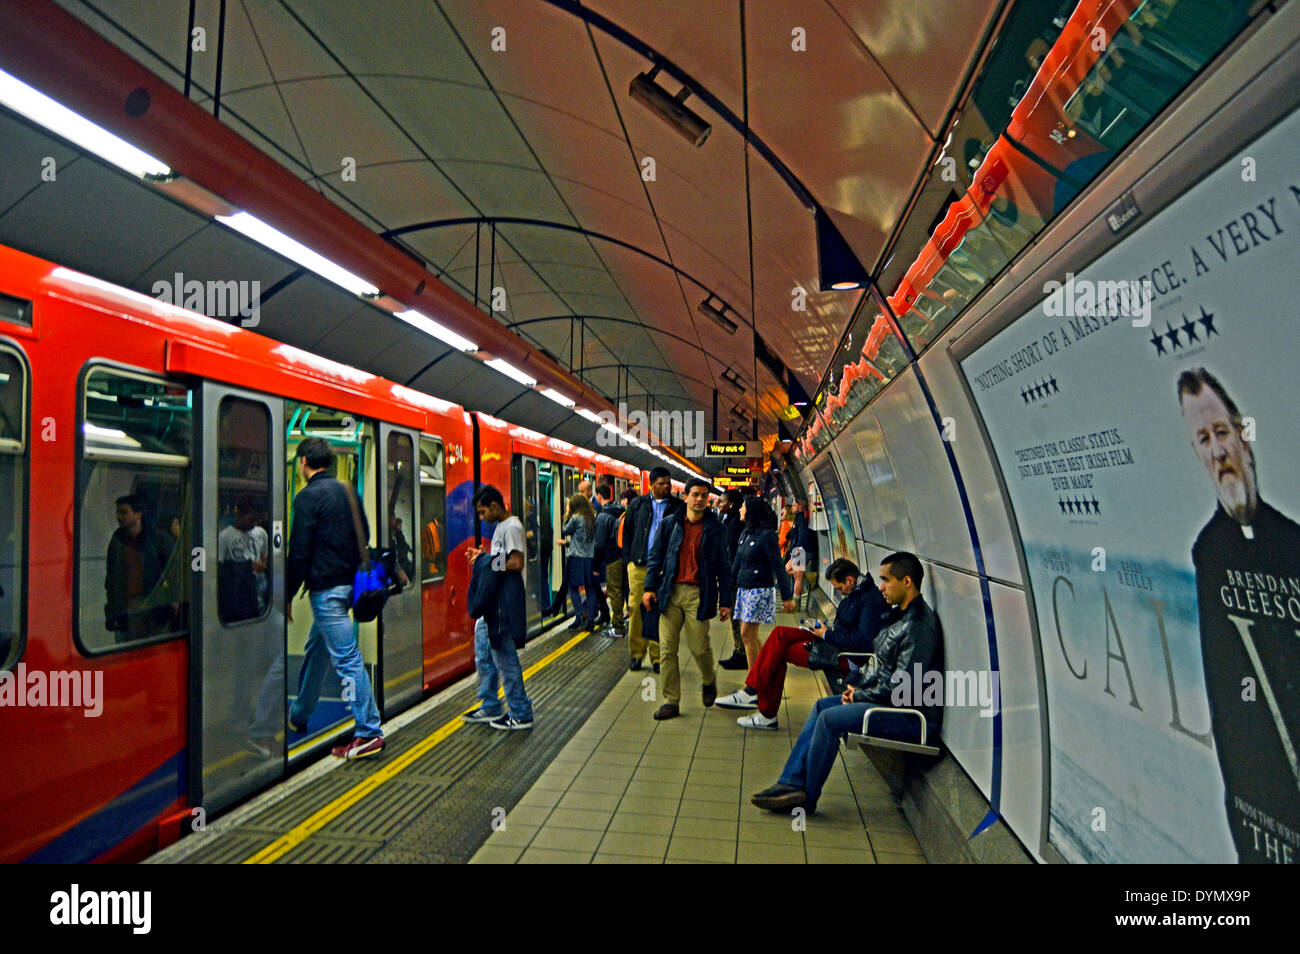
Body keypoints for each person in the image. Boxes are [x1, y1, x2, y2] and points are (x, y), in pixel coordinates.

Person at [1179, 367, 1300, 863]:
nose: (1217, 452)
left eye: (1223, 433)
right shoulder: (1208, 552)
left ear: (1244, 437)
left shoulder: (1293, 544)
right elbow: (1227, 701)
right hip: (1256, 807)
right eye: (1203, 439)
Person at [751, 552, 941, 812]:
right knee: (821, 706)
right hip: (885, 701)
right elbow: (881, 666)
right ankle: (791, 782)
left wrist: (860, 696)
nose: (881, 586)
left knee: (830, 720)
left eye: (886, 580)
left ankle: (807, 796)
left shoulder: (918, 627)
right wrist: (857, 687)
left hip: (907, 715)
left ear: (907, 582)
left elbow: (902, 687)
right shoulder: (901, 616)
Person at [285, 438, 385, 760]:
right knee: (317, 648)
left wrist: (287, 594)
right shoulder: (348, 491)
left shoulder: (306, 498)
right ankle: (300, 713)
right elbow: (365, 534)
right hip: (352, 587)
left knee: (346, 659)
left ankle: (369, 731)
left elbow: (299, 552)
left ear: (303, 462)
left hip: (327, 593)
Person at [718, 557, 889, 729]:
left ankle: (762, 706)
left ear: (850, 581)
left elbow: (862, 642)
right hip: (834, 642)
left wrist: (828, 634)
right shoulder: (857, 594)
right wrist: (825, 630)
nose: (839, 592)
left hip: (844, 656)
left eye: (839, 587)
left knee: (780, 651)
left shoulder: (869, 601)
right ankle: (754, 694)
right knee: (780, 633)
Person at [641, 478, 735, 720]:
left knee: (699, 647)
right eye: (695, 494)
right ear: (686, 497)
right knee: (666, 650)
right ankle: (671, 700)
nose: (700, 499)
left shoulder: (715, 529)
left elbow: (724, 567)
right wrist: (649, 587)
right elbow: (656, 557)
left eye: (704, 495)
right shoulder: (670, 524)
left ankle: (708, 680)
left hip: (699, 594)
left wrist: (726, 600)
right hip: (669, 592)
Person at [462, 484, 534, 730]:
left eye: (483, 513)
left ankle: (521, 713)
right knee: (484, 655)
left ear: (494, 506)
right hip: (494, 603)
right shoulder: (502, 527)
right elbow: (501, 560)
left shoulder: (512, 526)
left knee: (505, 659)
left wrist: (486, 561)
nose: (482, 518)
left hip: (503, 603)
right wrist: (485, 557)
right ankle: (490, 704)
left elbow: (516, 561)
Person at [623, 467, 683, 672]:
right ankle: (637, 654)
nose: (666, 487)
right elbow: (628, 532)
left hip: (665, 568)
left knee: (661, 611)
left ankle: (658, 657)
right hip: (639, 565)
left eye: (668, 483)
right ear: (651, 484)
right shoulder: (637, 505)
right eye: (661, 483)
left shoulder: (677, 507)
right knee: (635, 609)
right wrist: (629, 561)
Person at [727, 496, 794, 671]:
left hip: (759, 590)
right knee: (751, 635)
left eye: (743, 507)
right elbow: (737, 563)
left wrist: (787, 596)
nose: (740, 510)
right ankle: (766, 671)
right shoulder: (745, 533)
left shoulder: (767, 536)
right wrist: (727, 588)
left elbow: (778, 566)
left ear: (751, 511)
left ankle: (753, 683)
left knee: (746, 634)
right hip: (744, 589)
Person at [104, 494, 179, 643]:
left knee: (158, 648)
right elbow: (111, 579)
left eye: (124, 512)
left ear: (138, 514)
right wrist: (110, 612)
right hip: (131, 604)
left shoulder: (158, 539)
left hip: (156, 602)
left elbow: (173, 570)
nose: (119, 517)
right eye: (118, 512)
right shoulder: (116, 541)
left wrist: (174, 598)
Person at [217, 495, 268, 621]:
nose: (253, 524)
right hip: (238, 593)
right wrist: (246, 567)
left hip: (259, 589)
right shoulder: (225, 537)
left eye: (256, 521)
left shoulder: (260, 533)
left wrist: (264, 565)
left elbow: (265, 557)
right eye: (250, 520)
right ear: (238, 514)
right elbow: (220, 569)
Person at [717, 489, 749, 670]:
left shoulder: (734, 524)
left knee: (737, 617)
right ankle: (740, 652)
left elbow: (730, 553)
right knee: (737, 617)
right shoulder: (732, 521)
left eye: (721, 502)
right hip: (735, 578)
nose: (719, 504)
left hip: (734, 579)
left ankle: (741, 654)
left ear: (730, 504)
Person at [561, 492, 599, 631]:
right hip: (590, 558)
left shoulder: (575, 518)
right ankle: (590, 620)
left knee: (573, 588)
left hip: (576, 558)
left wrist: (567, 514)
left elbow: (565, 530)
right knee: (590, 589)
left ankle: (578, 617)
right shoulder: (592, 517)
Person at [593, 479, 627, 637]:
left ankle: (618, 626)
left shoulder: (602, 516)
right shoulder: (621, 510)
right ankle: (624, 621)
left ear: (599, 496)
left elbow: (599, 544)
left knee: (614, 592)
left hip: (612, 558)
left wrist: (595, 565)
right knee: (623, 590)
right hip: (625, 556)